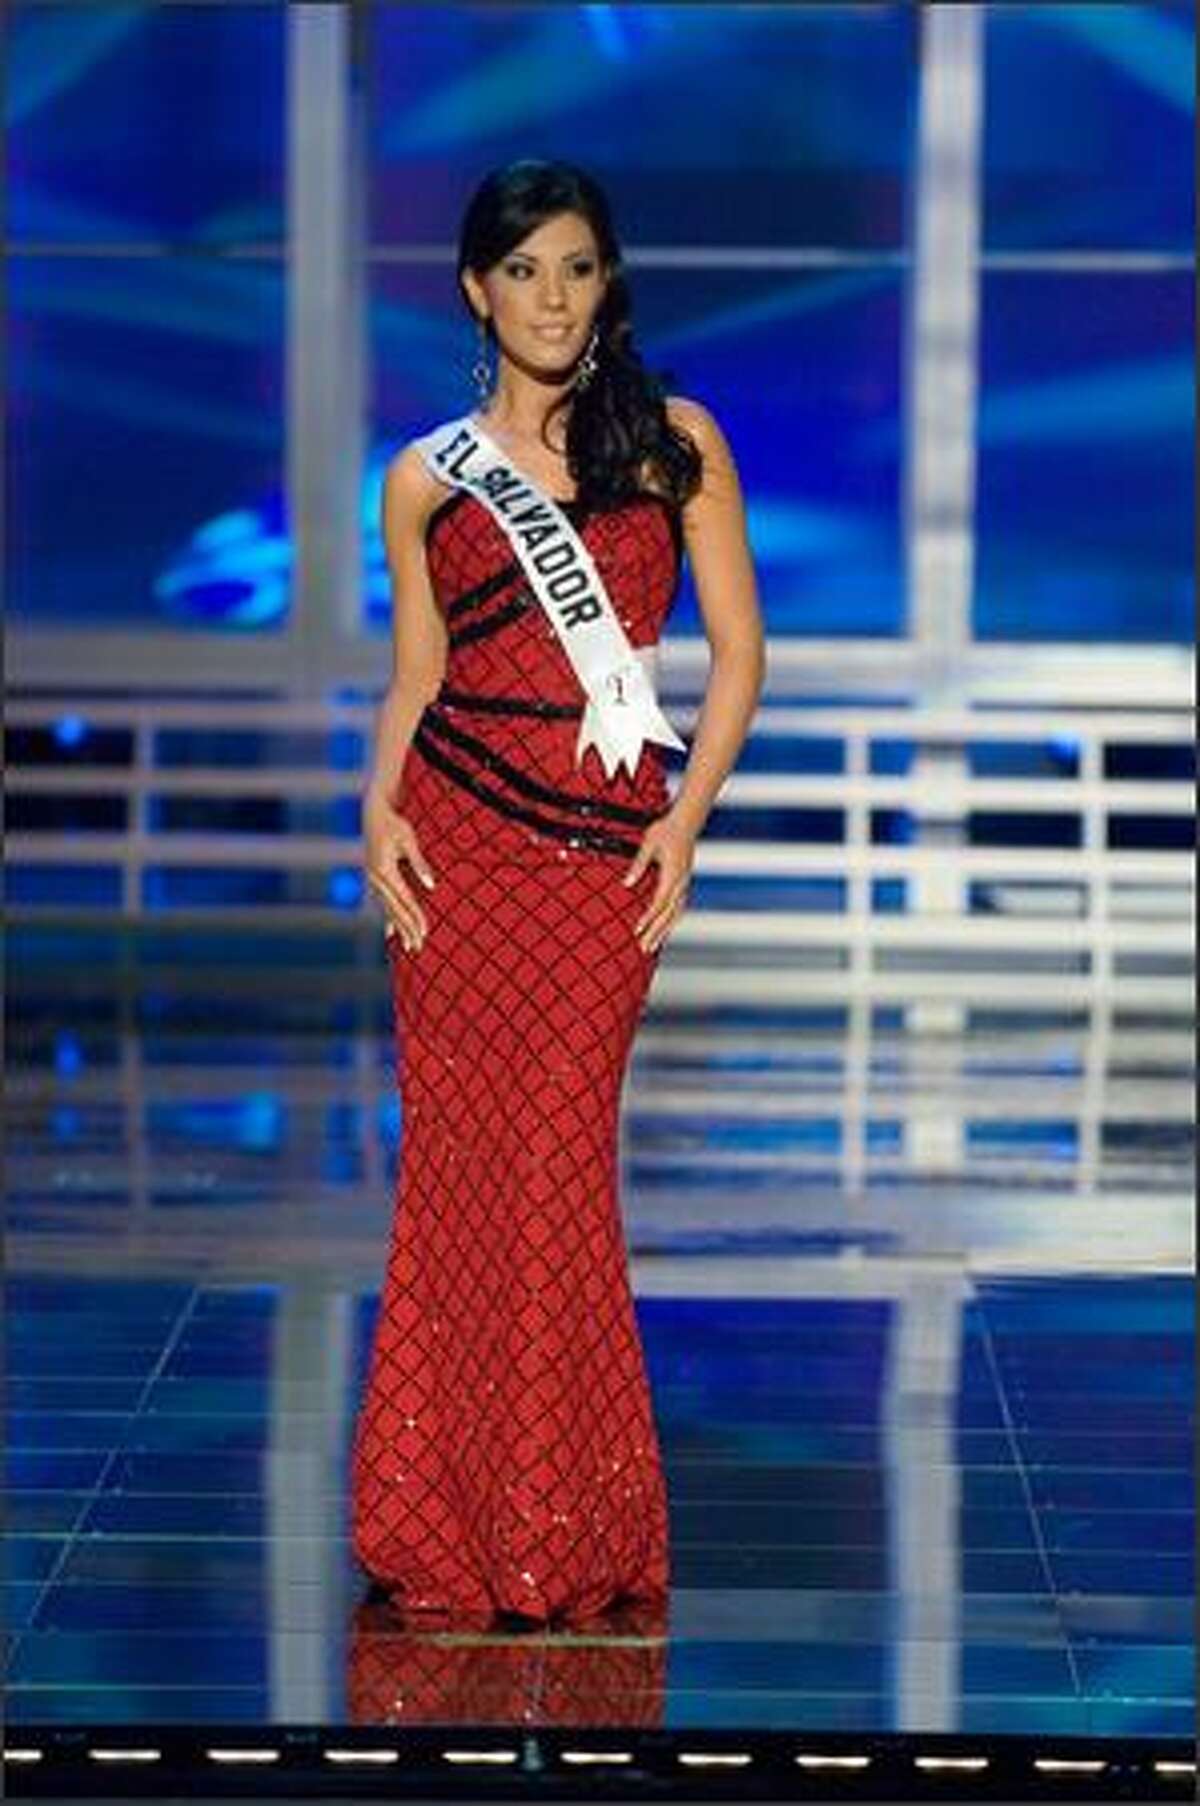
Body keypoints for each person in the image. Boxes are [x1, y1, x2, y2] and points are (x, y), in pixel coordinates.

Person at [351, 158, 764, 1631]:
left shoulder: (674, 442)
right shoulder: (424, 476)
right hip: (455, 853)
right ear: (476, 287)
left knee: (554, 1160)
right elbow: (418, 676)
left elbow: (737, 655)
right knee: (457, 1177)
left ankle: (561, 1519)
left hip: (600, 865)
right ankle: (440, 1514)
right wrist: (374, 805)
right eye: (522, 269)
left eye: (577, 268)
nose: (550, 297)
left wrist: (688, 819)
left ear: (609, 284)